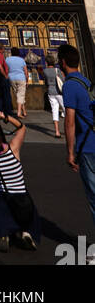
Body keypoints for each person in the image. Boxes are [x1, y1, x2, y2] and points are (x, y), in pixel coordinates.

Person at [0, 112, 38, 251]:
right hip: (21, 196)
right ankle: (25, 231)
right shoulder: (13, 148)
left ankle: (3, 233)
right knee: (29, 214)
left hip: (3, 195)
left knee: (0, 207)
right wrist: (3, 115)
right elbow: (22, 127)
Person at [58, 44, 95, 233]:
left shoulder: (70, 85)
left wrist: (70, 152)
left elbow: (70, 122)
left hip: (87, 147)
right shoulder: (86, 82)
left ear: (63, 63)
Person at [6, 49, 29, 119]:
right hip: (21, 78)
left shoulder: (7, 59)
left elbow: (6, 69)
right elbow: (26, 71)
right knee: (20, 95)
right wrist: (27, 80)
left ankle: (24, 110)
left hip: (11, 78)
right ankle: (19, 113)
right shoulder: (21, 60)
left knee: (18, 95)